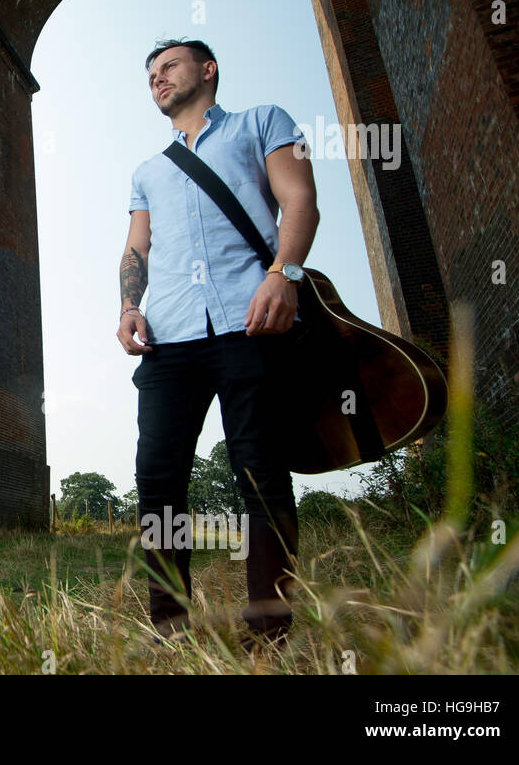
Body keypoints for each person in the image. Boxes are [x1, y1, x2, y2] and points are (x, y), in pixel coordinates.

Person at [117, 38, 319, 653]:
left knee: (259, 475)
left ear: (207, 70)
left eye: (169, 65)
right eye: (151, 73)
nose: (158, 78)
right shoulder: (148, 170)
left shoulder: (264, 122)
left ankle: (269, 638)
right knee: (157, 477)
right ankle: (168, 625)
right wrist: (129, 305)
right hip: (169, 336)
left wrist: (283, 274)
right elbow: (137, 248)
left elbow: (299, 199)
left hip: (250, 321)